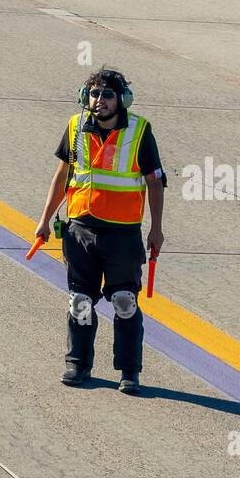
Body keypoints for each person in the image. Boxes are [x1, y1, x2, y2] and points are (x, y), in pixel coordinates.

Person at [34, 68, 165, 394]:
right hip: (81, 230)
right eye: (94, 94)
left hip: (123, 234)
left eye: (107, 95)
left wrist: (156, 229)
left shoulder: (140, 131)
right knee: (79, 301)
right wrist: (44, 219)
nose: (100, 100)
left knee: (124, 302)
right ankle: (77, 364)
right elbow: (62, 175)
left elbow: (155, 182)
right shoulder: (76, 127)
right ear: (85, 97)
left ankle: (129, 371)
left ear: (122, 100)